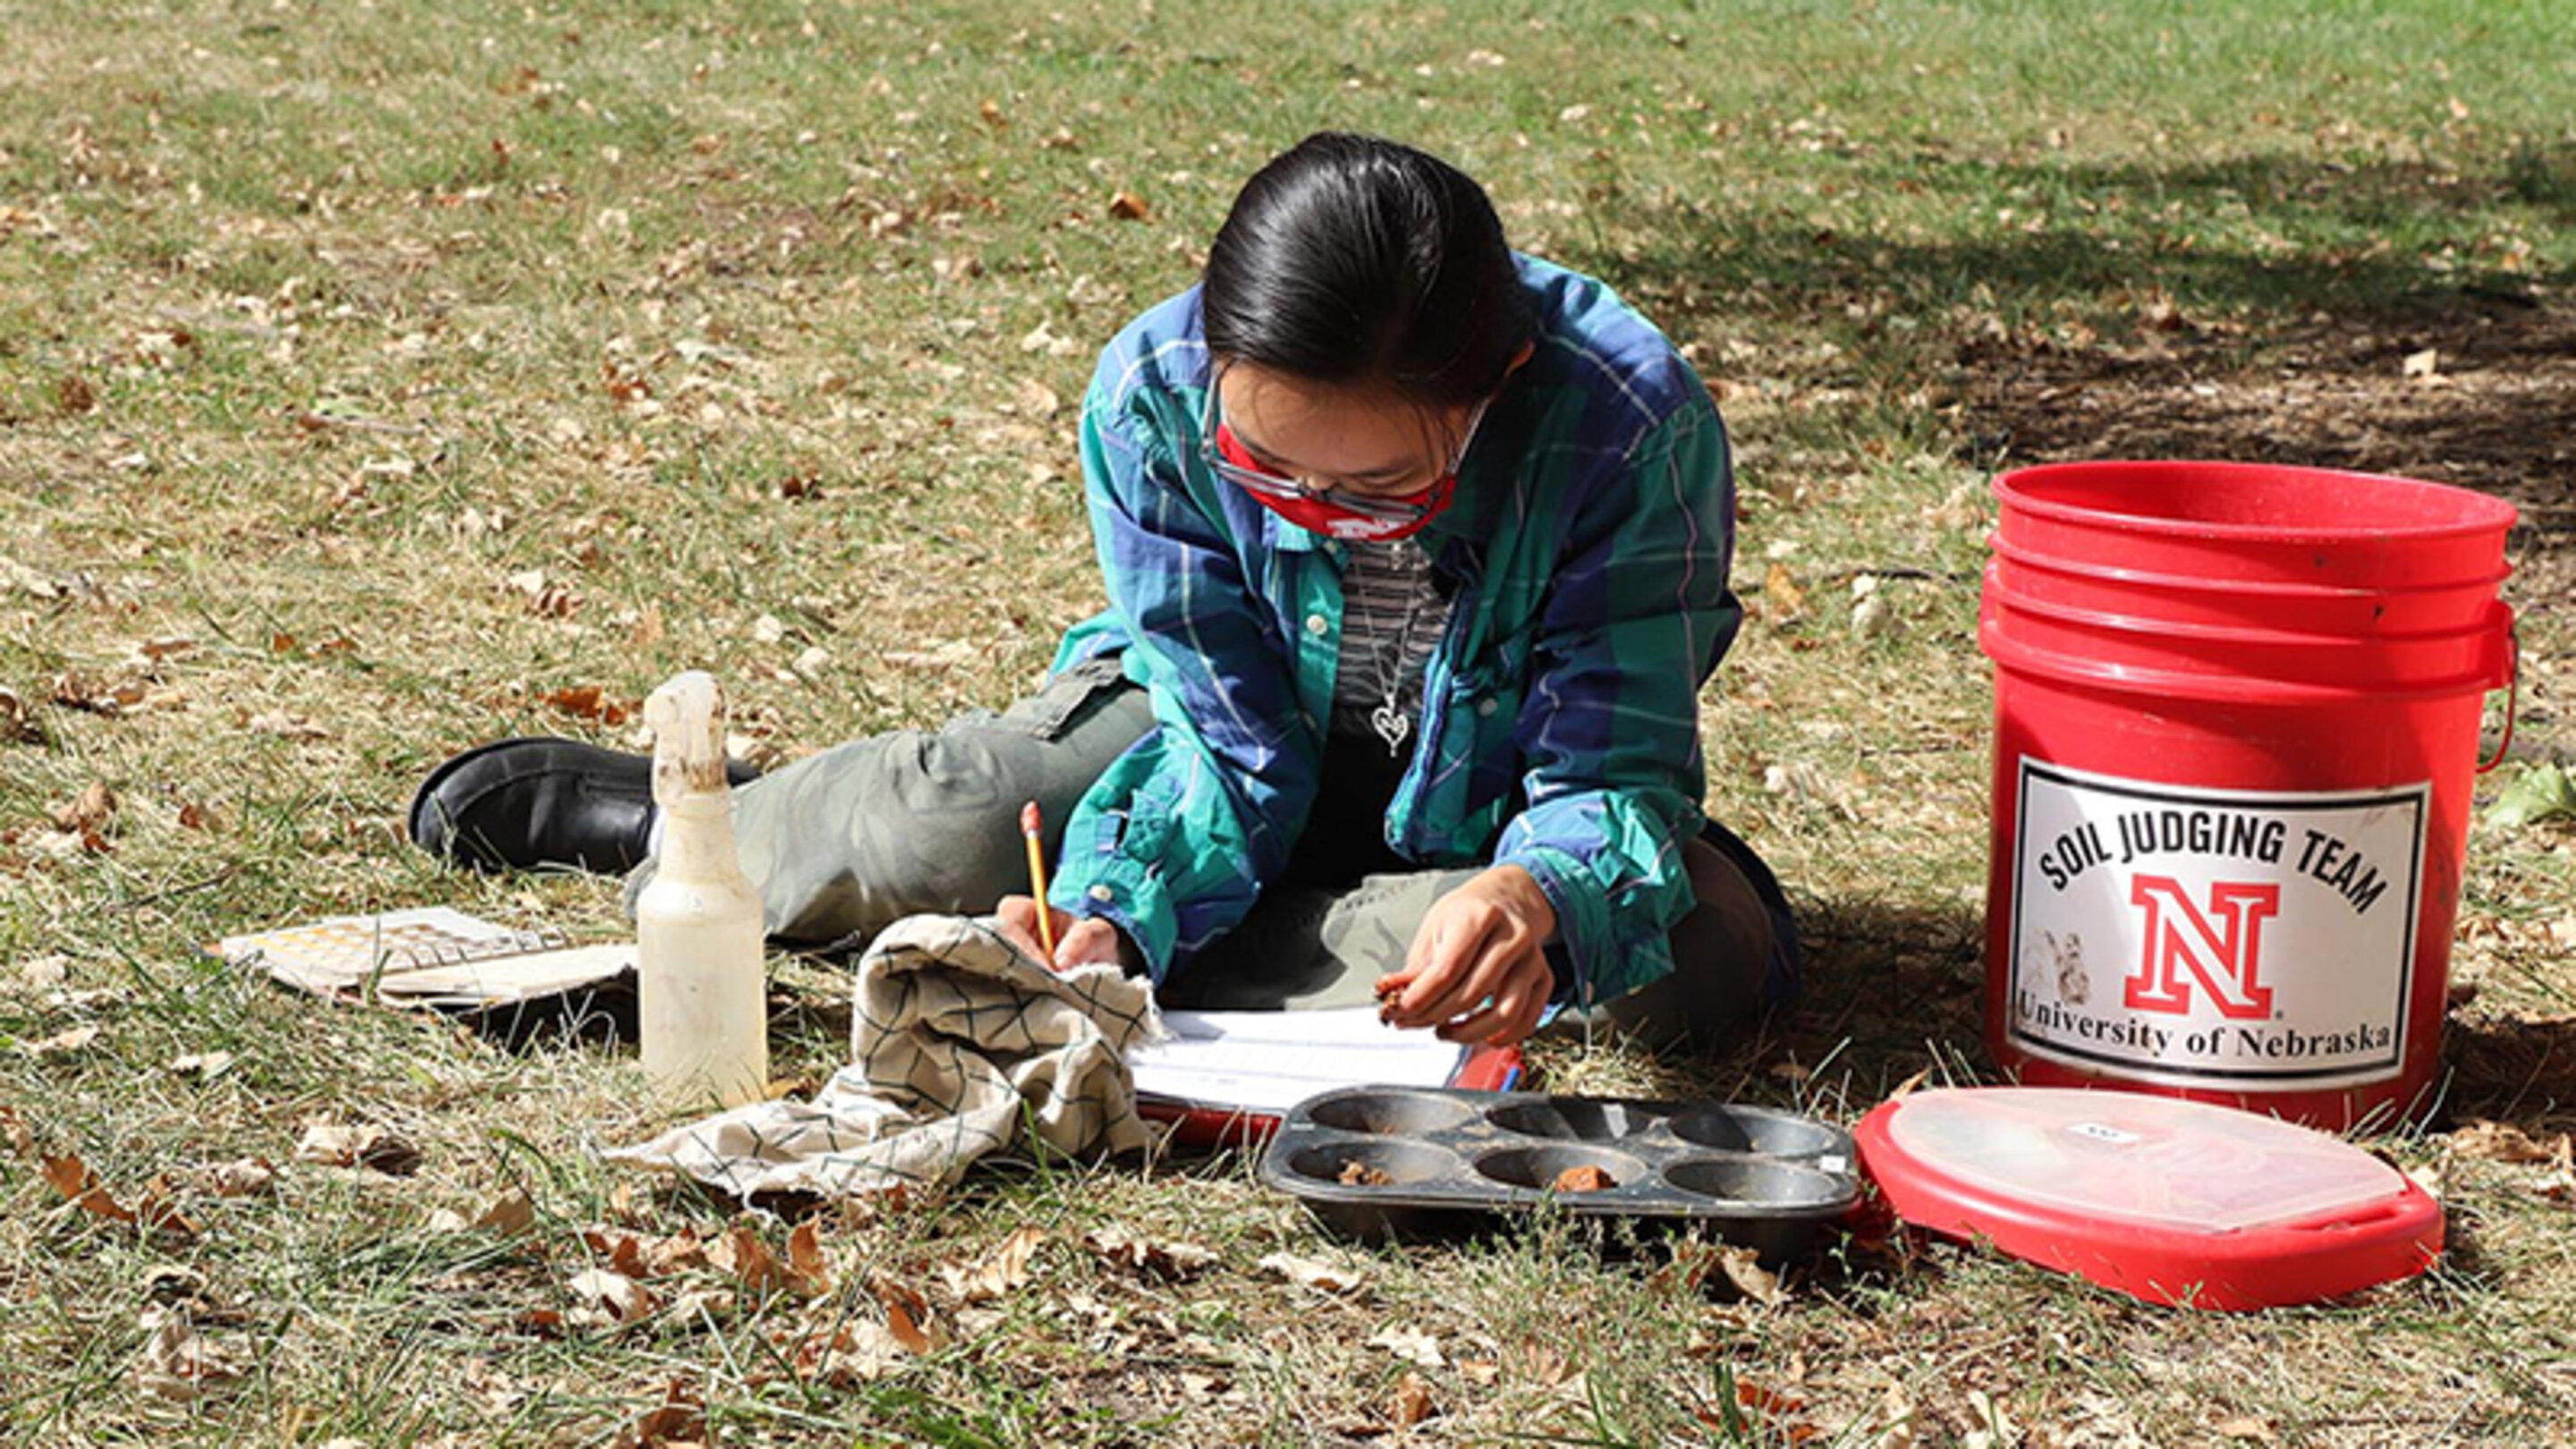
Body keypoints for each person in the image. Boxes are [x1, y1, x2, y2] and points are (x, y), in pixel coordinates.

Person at [411, 131, 1797, 1051]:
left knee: (1685, 974)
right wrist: (1120, 904)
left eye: (1371, 493)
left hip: (1479, 801)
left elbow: (1610, 764)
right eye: (1266, 472)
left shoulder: (1627, 424)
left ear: (1491, 393)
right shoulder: (1155, 389)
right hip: (1208, 743)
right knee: (951, 821)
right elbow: (1227, 737)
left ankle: (1233, 952)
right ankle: (701, 830)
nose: (1310, 519)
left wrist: (1535, 896)